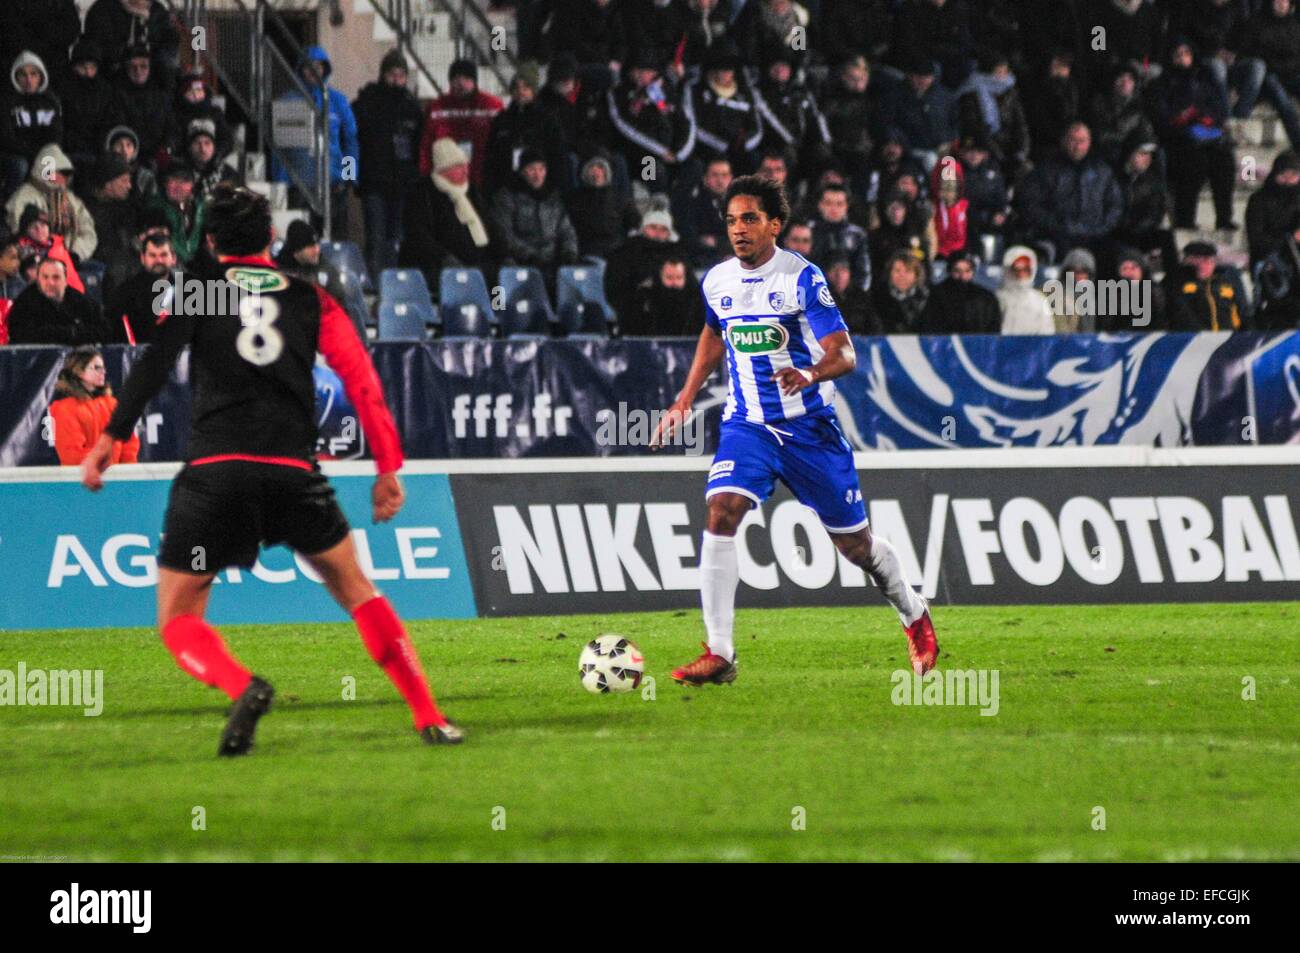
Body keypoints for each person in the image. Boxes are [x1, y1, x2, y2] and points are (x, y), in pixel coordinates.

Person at [79, 183, 463, 755]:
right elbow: (363, 382)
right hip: (292, 473)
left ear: (210, 241)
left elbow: (154, 363)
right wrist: (387, 466)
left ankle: (243, 685)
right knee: (359, 591)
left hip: (216, 473)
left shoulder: (202, 292)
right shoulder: (313, 299)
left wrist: (112, 434)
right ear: (272, 238)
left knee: (178, 616)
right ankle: (429, 715)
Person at [650, 174, 938, 685]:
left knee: (856, 548)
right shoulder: (717, 280)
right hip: (749, 426)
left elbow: (845, 354)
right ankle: (720, 653)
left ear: (775, 224)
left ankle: (914, 613)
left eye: (750, 219)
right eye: (732, 220)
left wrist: (810, 372)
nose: (738, 230)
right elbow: (714, 333)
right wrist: (684, 398)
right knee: (721, 512)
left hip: (810, 430)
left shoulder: (802, 278)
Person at [271, 46, 359, 236]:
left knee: (336, 236)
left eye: (319, 67)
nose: (314, 72)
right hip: (300, 184)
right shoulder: (288, 102)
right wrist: (280, 181)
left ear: (325, 70)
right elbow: (280, 147)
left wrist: (349, 176)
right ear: (301, 70)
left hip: (334, 182)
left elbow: (350, 141)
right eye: (309, 67)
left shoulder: (338, 101)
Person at [353, 49, 423, 280]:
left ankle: (394, 284)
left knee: (397, 240)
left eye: (401, 75)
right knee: (376, 239)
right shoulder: (365, 104)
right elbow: (350, 143)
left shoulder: (412, 107)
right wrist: (351, 177)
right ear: (383, 74)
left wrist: (415, 179)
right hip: (373, 183)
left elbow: (418, 147)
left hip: (402, 186)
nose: (397, 79)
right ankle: (375, 285)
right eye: (392, 74)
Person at [1013, 122, 1122, 264]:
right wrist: (1058, 226)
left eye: (1082, 141)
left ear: (1089, 142)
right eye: (1073, 140)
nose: (1077, 146)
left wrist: (1100, 228)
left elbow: (1115, 205)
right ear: (1064, 140)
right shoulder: (1046, 169)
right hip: (1056, 238)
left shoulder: (1102, 171)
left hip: (1095, 238)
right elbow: (1031, 204)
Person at [399, 137, 493, 284]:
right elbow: (418, 235)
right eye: (459, 166)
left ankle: (498, 306)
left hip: (477, 264)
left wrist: (504, 255)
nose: (466, 170)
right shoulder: (422, 194)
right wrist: (444, 257)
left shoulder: (472, 192)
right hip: (439, 266)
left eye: (466, 165)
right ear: (444, 170)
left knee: (501, 283)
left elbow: (491, 226)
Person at [488, 147, 579, 286]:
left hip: (552, 263)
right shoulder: (507, 196)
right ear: (522, 171)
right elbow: (504, 234)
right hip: (521, 263)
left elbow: (566, 230)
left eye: (541, 169)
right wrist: (530, 256)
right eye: (532, 169)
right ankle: (499, 306)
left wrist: (569, 254)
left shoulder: (553, 197)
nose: (538, 175)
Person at [417, 59, 503, 189]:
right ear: (450, 82)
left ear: (474, 81)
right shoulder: (437, 108)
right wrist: (425, 172)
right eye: (456, 79)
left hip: (483, 178)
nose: (461, 84)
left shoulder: (491, 106)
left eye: (466, 79)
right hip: (447, 180)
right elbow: (426, 144)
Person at [4, 145, 97, 262]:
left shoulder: (71, 200)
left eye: (67, 173)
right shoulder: (22, 197)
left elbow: (88, 233)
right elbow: (17, 233)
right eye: (60, 172)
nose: (65, 177)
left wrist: (74, 254)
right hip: (36, 260)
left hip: (71, 258)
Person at [50, 347, 140, 466]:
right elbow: (71, 454)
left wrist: (124, 473)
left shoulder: (113, 404)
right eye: (97, 368)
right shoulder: (65, 409)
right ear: (79, 371)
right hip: (82, 480)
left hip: (117, 479)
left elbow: (129, 443)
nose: (103, 372)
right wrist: (107, 464)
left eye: (103, 367)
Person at [604, 205, 689, 320]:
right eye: (653, 227)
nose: (658, 233)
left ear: (669, 233)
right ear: (643, 228)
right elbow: (616, 289)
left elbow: (690, 287)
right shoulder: (625, 253)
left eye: (663, 229)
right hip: (636, 313)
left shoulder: (679, 254)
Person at [6, 257, 106, 345]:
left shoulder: (79, 299)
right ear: (38, 279)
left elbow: (103, 331)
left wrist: (70, 333)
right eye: (45, 277)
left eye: (56, 277)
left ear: (65, 279)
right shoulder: (25, 301)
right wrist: (71, 333)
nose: (50, 283)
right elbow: (21, 335)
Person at [104, 230, 177, 344]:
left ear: (173, 258)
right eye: (152, 255)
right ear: (143, 258)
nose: (158, 260)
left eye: (163, 255)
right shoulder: (125, 293)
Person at [565, 152, 638, 260]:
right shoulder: (576, 199)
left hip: (615, 250)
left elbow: (634, 221)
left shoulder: (619, 198)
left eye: (600, 167)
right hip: (587, 251)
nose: (596, 171)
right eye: (592, 167)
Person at [1166, 240, 1246, 331]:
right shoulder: (1180, 283)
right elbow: (1181, 314)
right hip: (1195, 338)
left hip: (1227, 336)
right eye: (1198, 262)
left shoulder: (1225, 282)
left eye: (1207, 261)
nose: (1203, 265)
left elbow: (1242, 310)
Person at [619, 254, 705, 336]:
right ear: (660, 277)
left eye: (679, 277)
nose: (674, 283)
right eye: (669, 277)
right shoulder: (644, 300)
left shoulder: (697, 302)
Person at [920, 251, 1000, 334]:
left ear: (973, 272)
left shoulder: (985, 297)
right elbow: (930, 327)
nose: (962, 276)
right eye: (957, 271)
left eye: (967, 271)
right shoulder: (937, 295)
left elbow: (993, 329)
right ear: (949, 271)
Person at [145, 162, 206, 265]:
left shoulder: (200, 208)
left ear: (192, 185)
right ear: (164, 183)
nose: (179, 186)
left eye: (184, 181)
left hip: (197, 268)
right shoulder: (154, 208)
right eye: (173, 180)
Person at [996, 245, 1054, 334]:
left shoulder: (1039, 300)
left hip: (1033, 347)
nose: (1021, 274)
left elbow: (1047, 334)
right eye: (1016, 269)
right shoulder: (997, 299)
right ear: (1007, 269)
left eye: (1026, 269)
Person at [872, 251, 930, 334]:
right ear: (890, 273)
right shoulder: (877, 298)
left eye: (907, 271)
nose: (902, 276)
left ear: (916, 275)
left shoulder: (927, 298)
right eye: (897, 271)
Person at [274, 219, 322, 283]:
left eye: (317, 245)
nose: (317, 250)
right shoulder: (275, 273)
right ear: (297, 250)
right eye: (311, 247)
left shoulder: (321, 268)